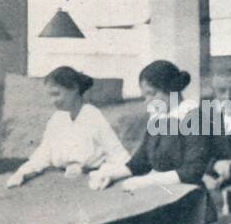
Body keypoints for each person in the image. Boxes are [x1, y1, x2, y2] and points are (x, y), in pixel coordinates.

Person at [89, 60, 212, 191]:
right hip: (163, 190)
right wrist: (111, 175)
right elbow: (141, 162)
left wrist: (145, 181)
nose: (147, 102)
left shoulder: (195, 119)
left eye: (152, 93)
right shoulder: (158, 118)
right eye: (145, 96)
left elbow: (192, 172)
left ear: (172, 89)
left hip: (189, 195)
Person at [5, 67, 128, 187]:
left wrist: (100, 172)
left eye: (56, 94)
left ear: (74, 88)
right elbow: (43, 154)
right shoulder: (57, 118)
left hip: (89, 181)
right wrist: (22, 173)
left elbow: (119, 157)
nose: (53, 101)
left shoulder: (93, 116)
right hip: (59, 180)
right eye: (50, 96)